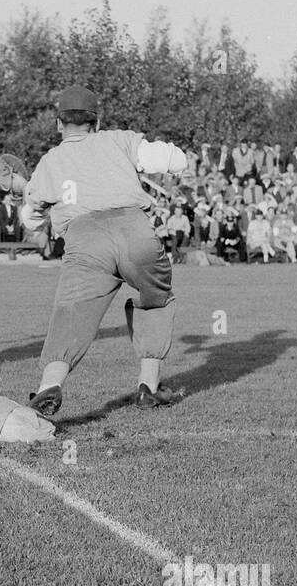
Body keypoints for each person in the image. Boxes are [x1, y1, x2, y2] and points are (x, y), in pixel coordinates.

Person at [15, 85, 188, 416]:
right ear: (97, 120)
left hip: (85, 240)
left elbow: (31, 221)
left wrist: (31, 201)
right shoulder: (117, 140)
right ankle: (148, 388)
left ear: (58, 124)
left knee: (72, 314)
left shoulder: (50, 162)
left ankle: (50, 385)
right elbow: (176, 160)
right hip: (134, 230)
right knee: (155, 300)